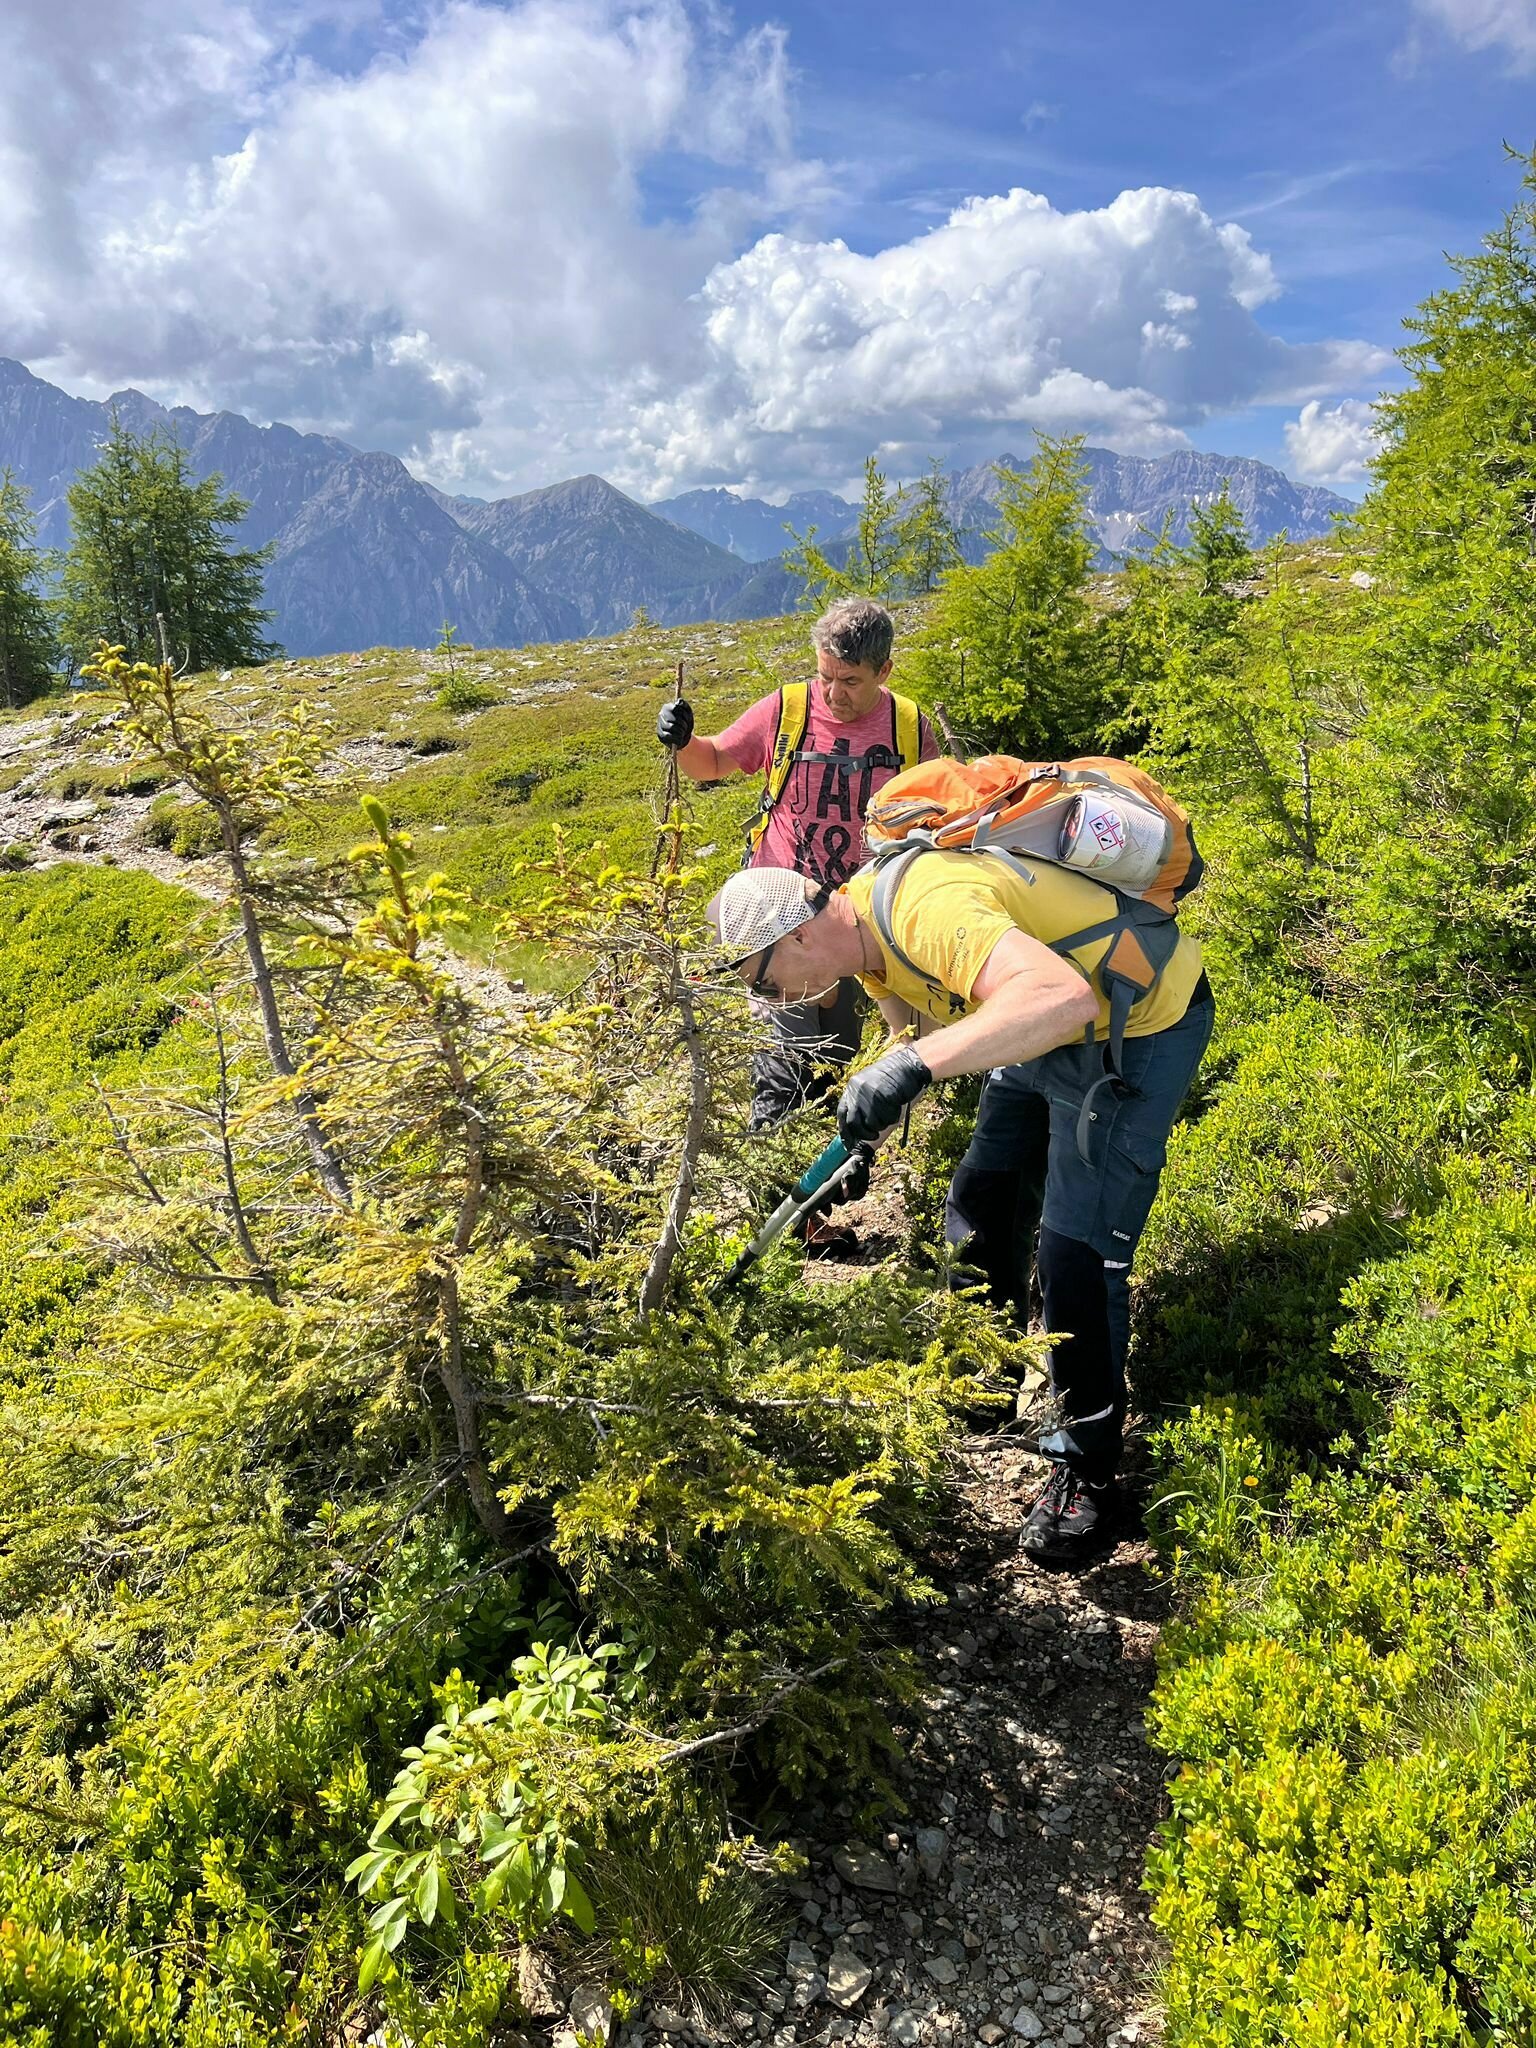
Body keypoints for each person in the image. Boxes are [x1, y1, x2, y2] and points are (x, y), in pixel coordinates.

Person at [705, 849, 1213, 1571]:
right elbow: (906, 1041)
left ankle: (1090, 1475)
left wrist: (910, 1070)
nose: (776, 1000)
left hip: (1134, 1023)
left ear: (798, 936)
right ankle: (987, 1376)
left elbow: (1059, 997)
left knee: (1075, 1253)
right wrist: (863, 1136)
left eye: (766, 982)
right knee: (982, 1203)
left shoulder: (921, 909)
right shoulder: (865, 942)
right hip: (1046, 1025)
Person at [657, 596, 937, 1133]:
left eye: (851, 680)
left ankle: (816, 1180)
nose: (834, 693)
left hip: (857, 922)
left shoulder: (908, 727)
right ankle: (772, 1177)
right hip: (778, 919)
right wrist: (683, 739)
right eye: (825, 675)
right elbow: (712, 762)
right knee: (781, 1064)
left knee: (837, 1059)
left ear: (885, 670)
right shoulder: (787, 710)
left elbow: (932, 812)